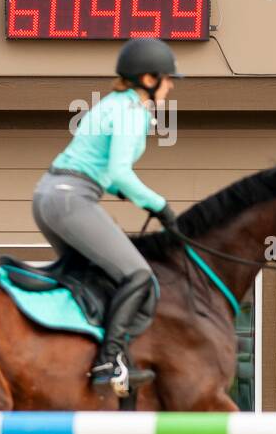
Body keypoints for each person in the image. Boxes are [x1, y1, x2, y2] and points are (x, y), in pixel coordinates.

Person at [31, 39, 181, 395]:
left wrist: (137, 199)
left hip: (48, 196)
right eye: (168, 79)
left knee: (94, 277)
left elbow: (107, 175)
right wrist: (161, 206)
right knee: (138, 274)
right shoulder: (133, 112)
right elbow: (119, 172)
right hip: (71, 200)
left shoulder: (109, 105)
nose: (172, 85)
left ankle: (75, 354)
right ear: (148, 78)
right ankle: (108, 360)